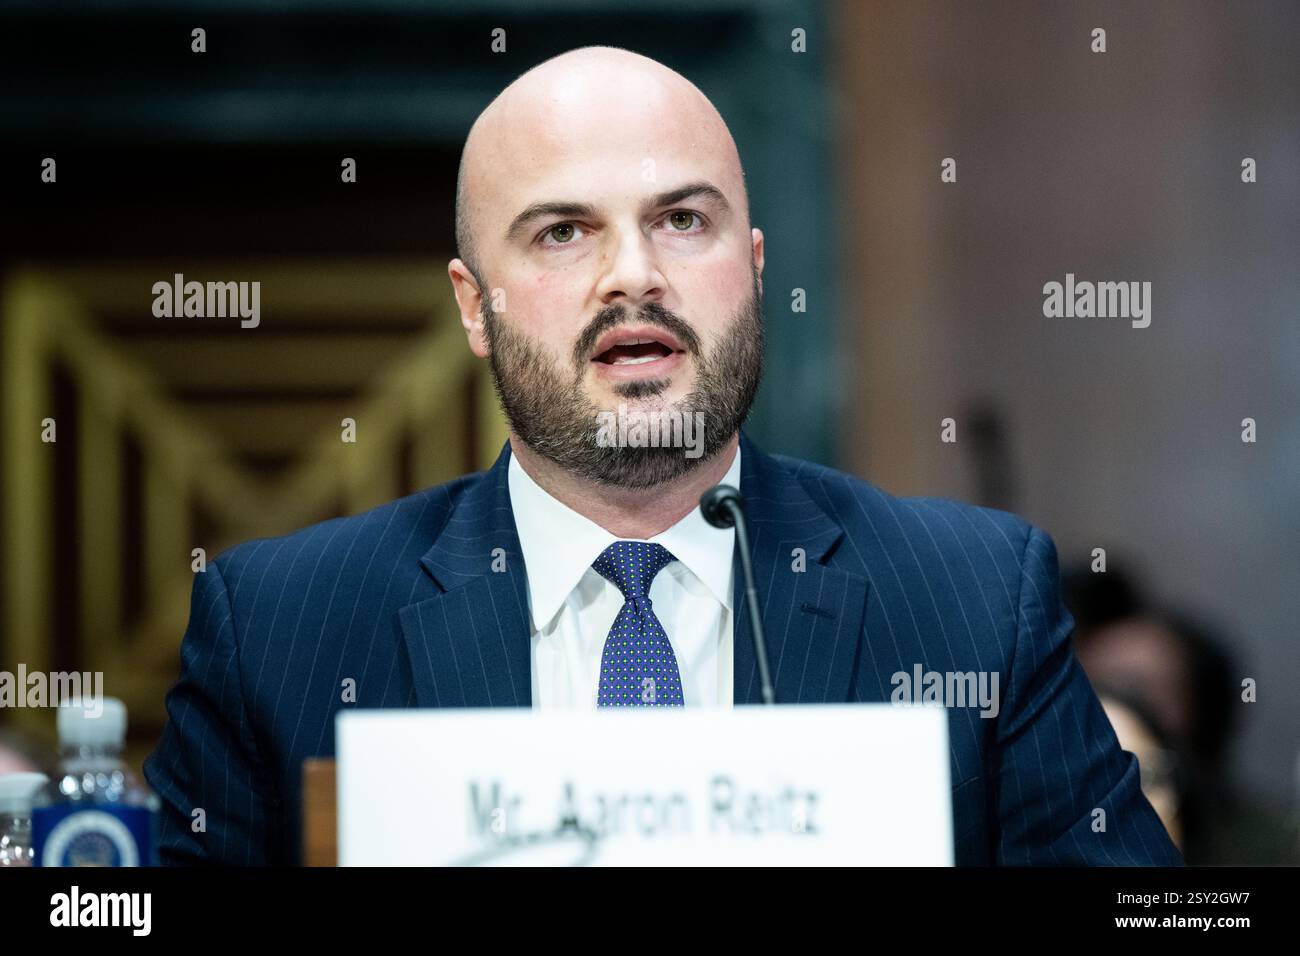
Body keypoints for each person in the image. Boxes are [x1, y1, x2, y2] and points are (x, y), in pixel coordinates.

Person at [144, 45, 1180, 867]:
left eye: (682, 220)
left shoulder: (972, 598)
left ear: (753, 265)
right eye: (561, 233)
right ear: (472, 302)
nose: (631, 276)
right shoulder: (277, 630)